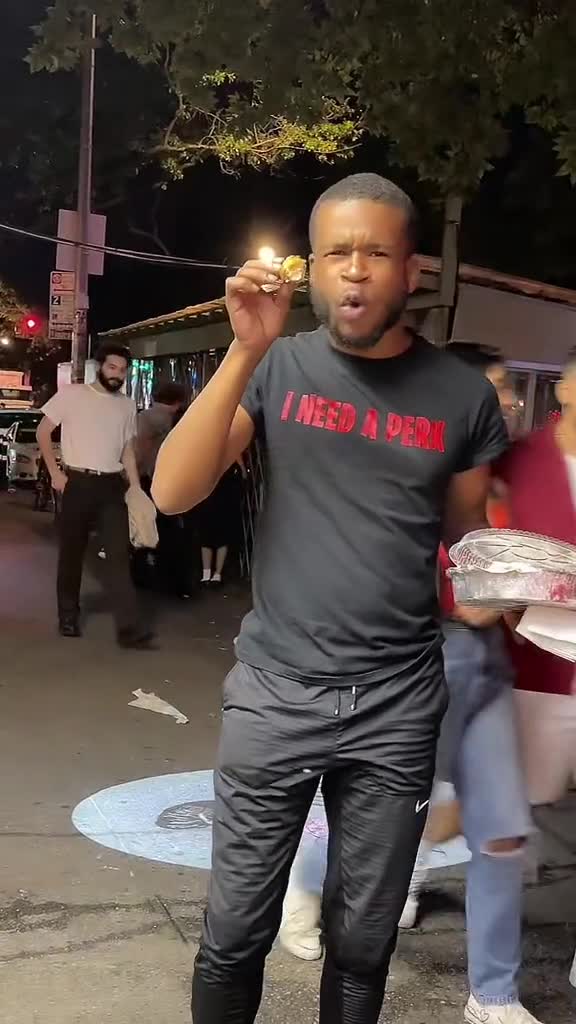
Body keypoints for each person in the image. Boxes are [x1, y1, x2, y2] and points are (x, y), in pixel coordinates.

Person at [152, 173, 508, 1024]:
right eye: (338, 253)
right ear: (312, 269)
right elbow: (171, 491)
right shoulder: (276, 364)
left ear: (411, 269)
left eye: (377, 253)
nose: (355, 272)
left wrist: (498, 591)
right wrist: (243, 349)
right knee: (235, 931)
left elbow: (466, 537)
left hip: (399, 701)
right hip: (276, 692)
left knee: (362, 941)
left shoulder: (460, 396)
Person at [280, 345, 542, 1024]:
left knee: (502, 833)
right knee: (392, 817)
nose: (508, 402)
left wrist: (515, 595)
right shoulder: (420, 469)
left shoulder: (507, 474)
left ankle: (493, 995)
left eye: (510, 391)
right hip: (428, 660)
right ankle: (305, 888)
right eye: (496, 390)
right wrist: (459, 600)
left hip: (487, 665)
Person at [37, 342, 153, 649]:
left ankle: (128, 628)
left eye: (122, 370)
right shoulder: (73, 395)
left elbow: (127, 449)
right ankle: (68, 616)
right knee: (72, 554)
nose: (117, 374)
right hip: (77, 482)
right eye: (111, 367)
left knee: (118, 556)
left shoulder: (127, 405)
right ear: (99, 367)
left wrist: (136, 486)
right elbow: (42, 431)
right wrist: (56, 473)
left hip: (112, 486)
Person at [499, 351, 576, 809]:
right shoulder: (520, 460)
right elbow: (473, 536)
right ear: (565, 390)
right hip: (535, 662)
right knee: (526, 795)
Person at [134, 381, 191, 596]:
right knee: (173, 533)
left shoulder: (143, 418)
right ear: (177, 401)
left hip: (144, 480)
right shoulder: (176, 420)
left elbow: (137, 450)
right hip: (168, 481)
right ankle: (175, 582)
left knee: (143, 528)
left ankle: (142, 575)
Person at [196, 459, 245, 584]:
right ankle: (214, 574)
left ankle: (209, 573)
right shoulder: (229, 456)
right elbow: (242, 475)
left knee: (209, 537)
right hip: (219, 498)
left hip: (212, 498)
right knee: (216, 537)